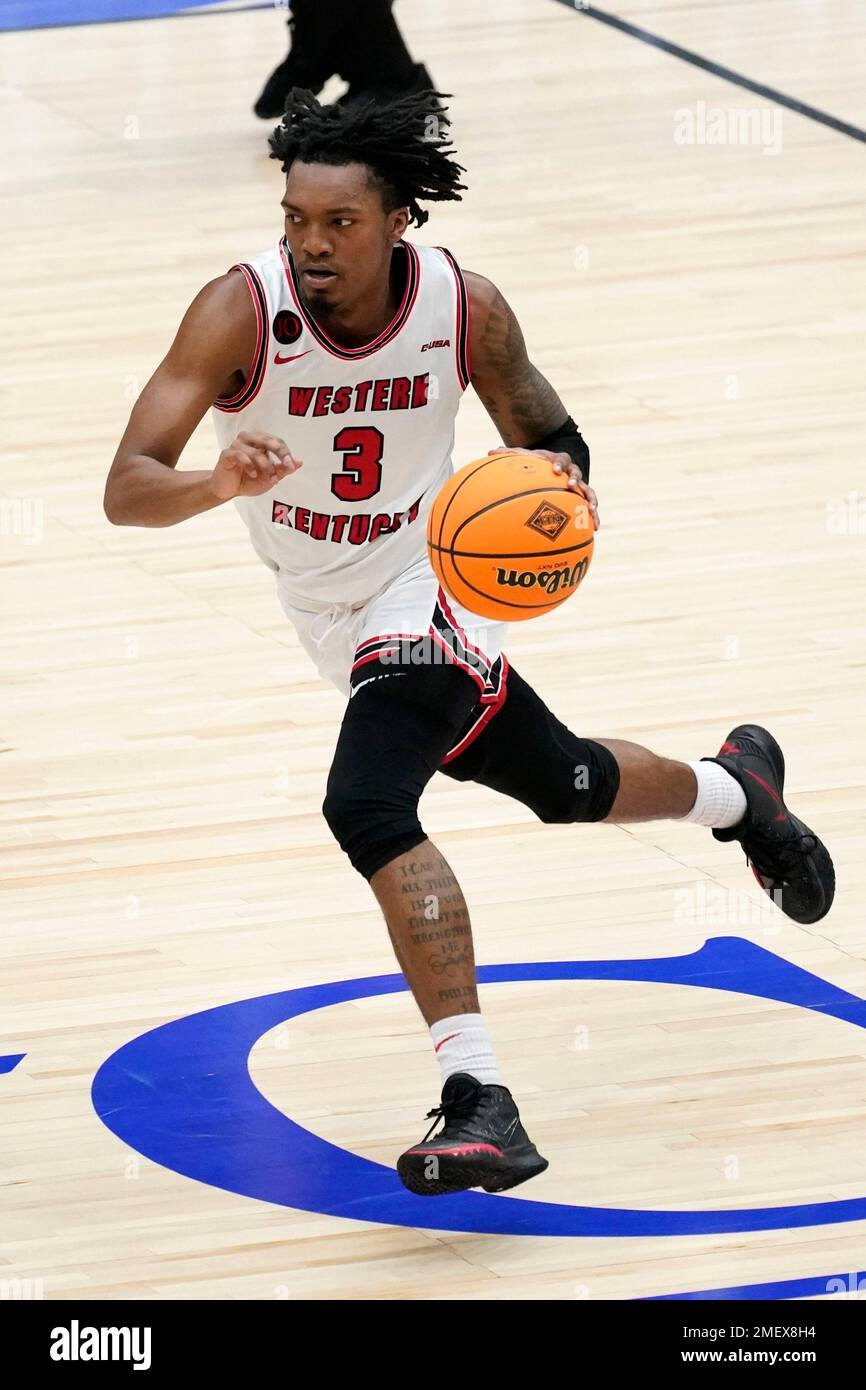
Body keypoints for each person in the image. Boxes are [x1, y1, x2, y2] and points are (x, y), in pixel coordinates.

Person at [105, 89, 834, 1198]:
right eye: (296, 217)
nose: (307, 243)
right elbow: (127, 490)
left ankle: (476, 1097)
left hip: (433, 578)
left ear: (399, 218)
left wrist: (551, 511)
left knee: (365, 804)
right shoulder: (236, 310)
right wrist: (216, 480)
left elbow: (550, 441)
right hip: (327, 609)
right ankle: (737, 794)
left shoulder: (465, 307)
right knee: (563, 781)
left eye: (336, 223)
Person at [254, 0, 434, 120]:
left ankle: (411, 113)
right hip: (400, 88)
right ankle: (420, 110)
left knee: (308, 137)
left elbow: (307, 66)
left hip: (383, 98)